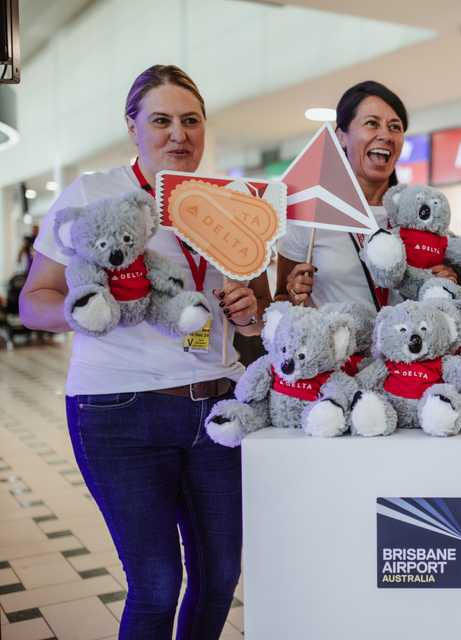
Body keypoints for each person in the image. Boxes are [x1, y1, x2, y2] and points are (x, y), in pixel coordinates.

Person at [20, 65, 270, 640]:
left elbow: (255, 307)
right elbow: (36, 299)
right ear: (132, 126)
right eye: (161, 120)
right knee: (156, 584)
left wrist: (249, 309)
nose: (178, 134)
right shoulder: (94, 194)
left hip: (218, 411)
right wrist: (86, 310)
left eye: (191, 120)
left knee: (219, 578)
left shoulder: (228, 201)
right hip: (120, 412)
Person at [277, 80, 457, 308]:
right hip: (339, 341)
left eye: (395, 127)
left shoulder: (421, 215)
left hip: (403, 341)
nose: (386, 135)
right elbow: (281, 298)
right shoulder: (311, 213)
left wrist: (448, 281)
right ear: (341, 136)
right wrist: (293, 295)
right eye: (372, 123)